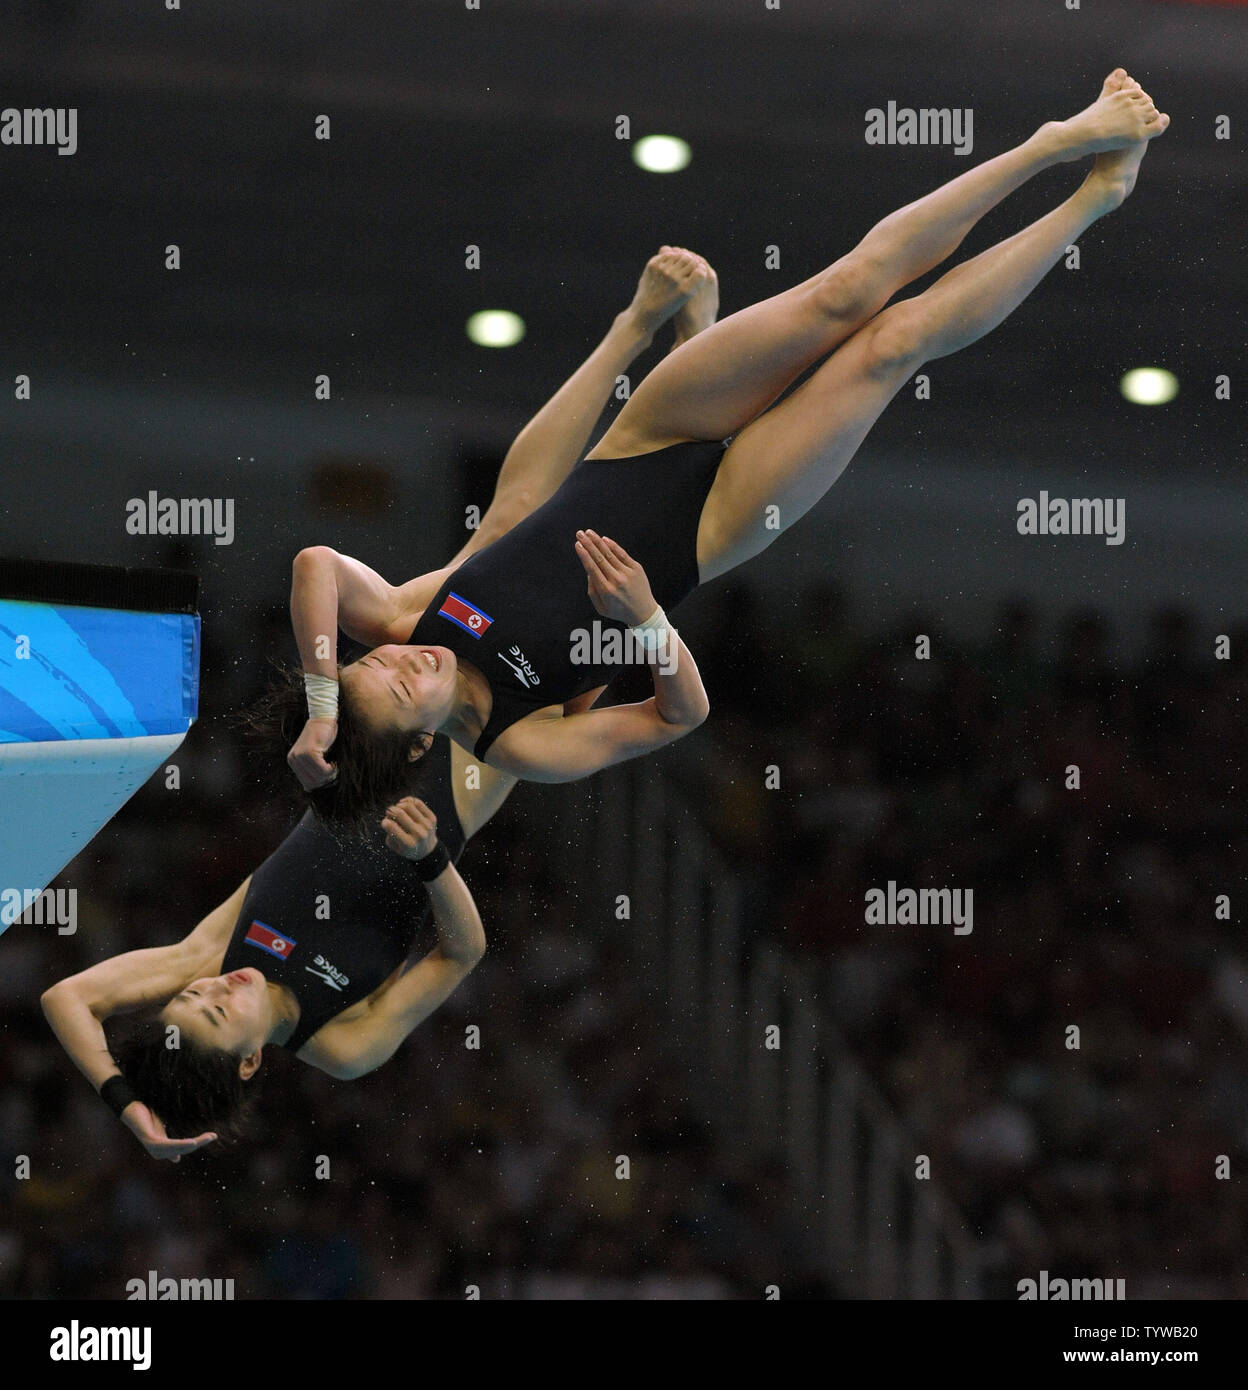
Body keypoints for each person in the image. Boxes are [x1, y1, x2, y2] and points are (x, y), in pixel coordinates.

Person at [281, 73, 1167, 821]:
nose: (405, 660)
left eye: (378, 664)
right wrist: (648, 623)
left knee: (846, 292)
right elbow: (679, 717)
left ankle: (1059, 141)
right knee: (892, 346)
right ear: (420, 745)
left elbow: (321, 561)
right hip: (715, 525)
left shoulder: (408, 617)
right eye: (401, 689)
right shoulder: (523, 739)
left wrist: (324, 706)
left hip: (644, 441)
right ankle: (1097, 197)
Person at [40, 249, 720, 1161]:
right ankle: (697, 355)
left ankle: (649, 331)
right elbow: (459, 956)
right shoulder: (340, 1044)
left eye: (189, 1000)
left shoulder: (206, 952)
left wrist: (130, 1109)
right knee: (606, 581)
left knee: (517, 513)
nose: (213, 990)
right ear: (248, 1065)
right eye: (216, 1014)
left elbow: (66, 998)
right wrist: (433, 861)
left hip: (395, 726)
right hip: (477, 766)